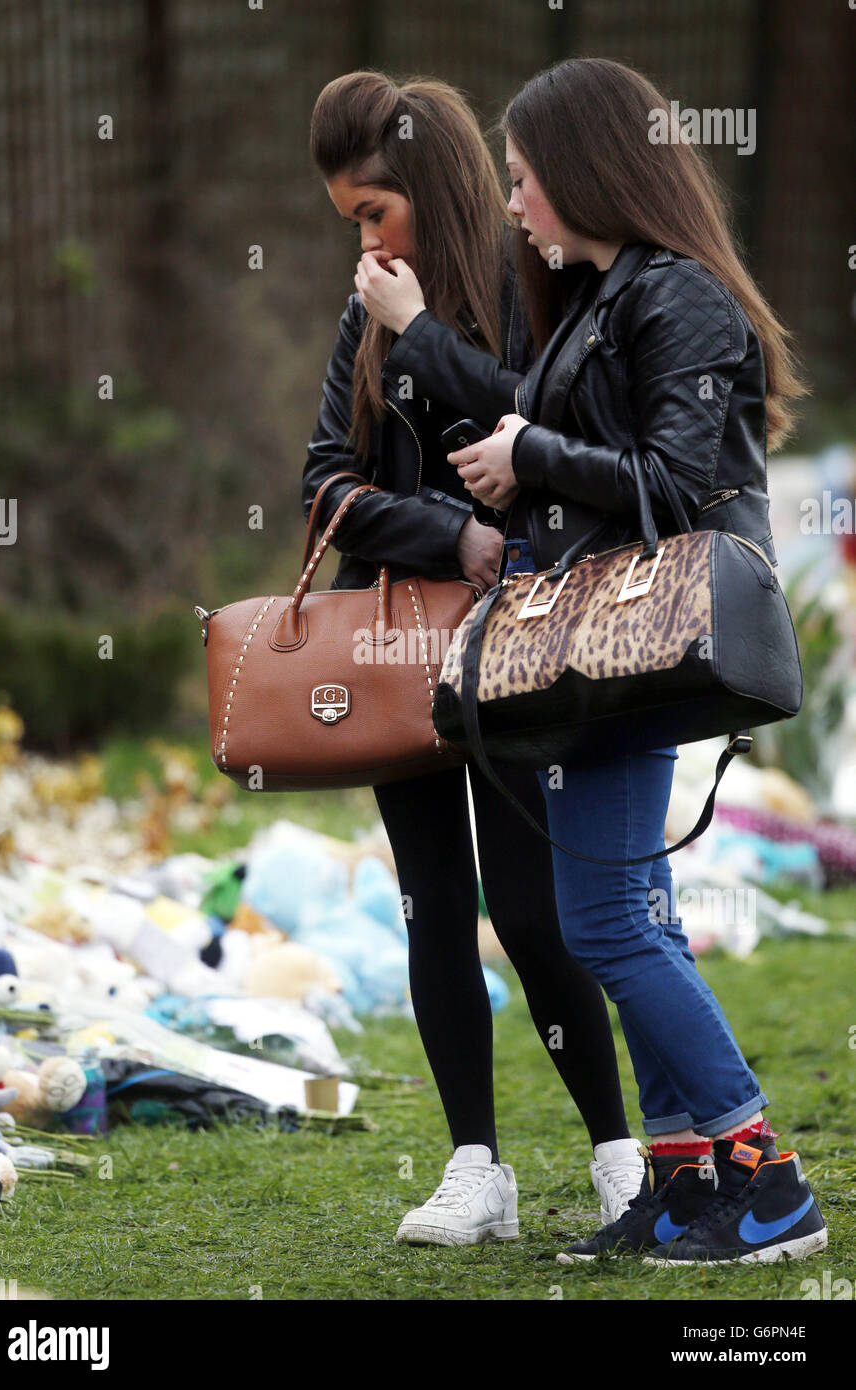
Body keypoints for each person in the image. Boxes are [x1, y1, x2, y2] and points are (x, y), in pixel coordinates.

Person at [439, 58, 827, 1265]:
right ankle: (681, 1178)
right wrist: (517, 450)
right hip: (591, 657)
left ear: (592, 165)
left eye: (522, 179)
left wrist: (533, 454)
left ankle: (767, 1182)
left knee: (603, 923)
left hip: (637, 643)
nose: (512, 204)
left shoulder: (681, 297)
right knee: (632, 914)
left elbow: (675, 487)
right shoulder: (602, 296)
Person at [302, 70, 645, 1247]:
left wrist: (419, 338)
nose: (362, 239)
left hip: (520, 648)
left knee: (536, 908)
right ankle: (474, 1167)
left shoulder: (531, 283)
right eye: (350, 219)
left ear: (429, 187)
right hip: (401, 644)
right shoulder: (365, 309)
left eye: (372, 211)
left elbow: (549, 428)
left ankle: (618, 1152)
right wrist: (451, 532)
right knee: (431, 904)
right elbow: (324, 485)